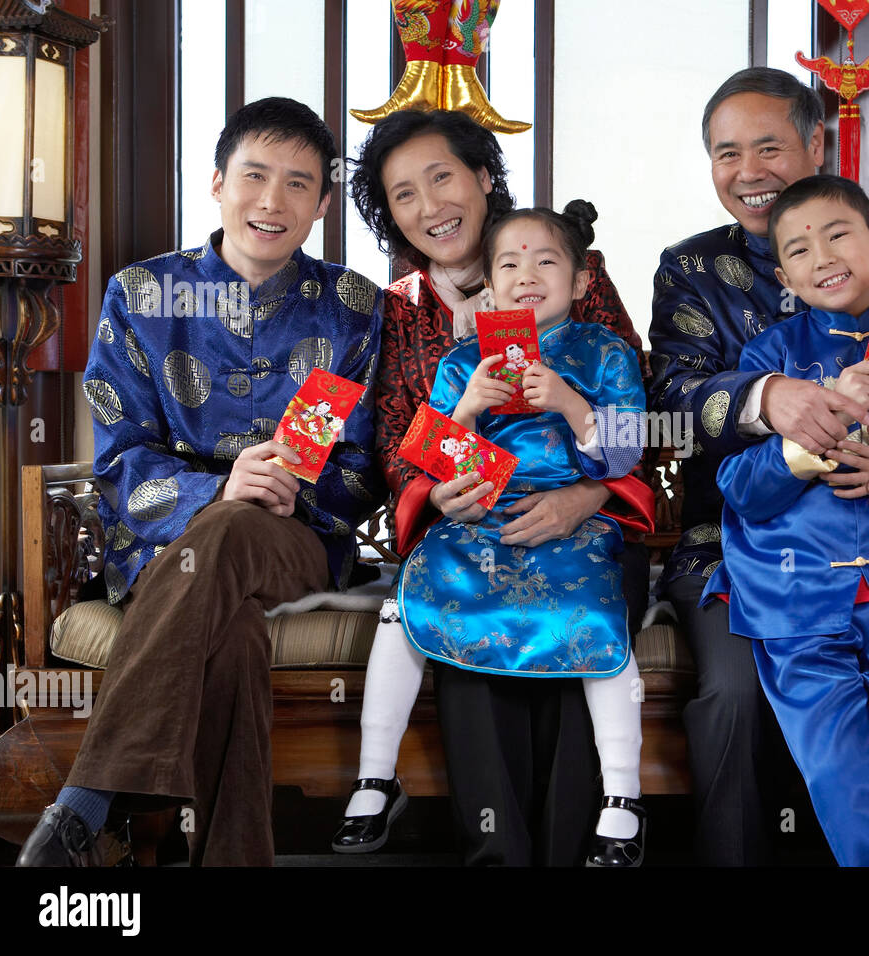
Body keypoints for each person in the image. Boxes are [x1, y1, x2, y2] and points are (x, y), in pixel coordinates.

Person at [648, 66, 869, 864]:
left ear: (817, 144)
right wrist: (768, 398)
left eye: (768, 147)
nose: (748, 170)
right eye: (726, 153)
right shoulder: (692, 270)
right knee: (734, 693)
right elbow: (670, 400)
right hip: (740, 543)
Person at [16, 97, 386, 866]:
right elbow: (121, 457)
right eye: (254, 175)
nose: (271, 200)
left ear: (322, 203)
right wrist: (216, 491)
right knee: (235, 635)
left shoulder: (351, 309)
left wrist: (282, 490)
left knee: (238, 529)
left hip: (292, 537)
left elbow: (360, 468)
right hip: (164, 543)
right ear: (218, 183)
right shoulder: (140, 294)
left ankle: (88, 800)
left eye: (297, 183)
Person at [334, 109, 653, 866]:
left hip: (588, 515)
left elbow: (636, 429)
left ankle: (605, 817)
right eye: (404, 194)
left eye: (441, 177)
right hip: (474, 520)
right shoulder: (402, 314)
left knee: (582, 614)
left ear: (483, 178)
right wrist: (437, 490)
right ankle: (474, 838)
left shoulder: (584, 302)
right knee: (454, 620)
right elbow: (401, 447)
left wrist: (587, 492)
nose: (429, 205)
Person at [706, 174, 869, 865]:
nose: (822, 257)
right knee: (840, 775)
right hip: (796, 603)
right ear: (783, 276)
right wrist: (812, 436)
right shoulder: (771, 361)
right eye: (799, 249)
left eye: (838, 235)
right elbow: (740, 487)